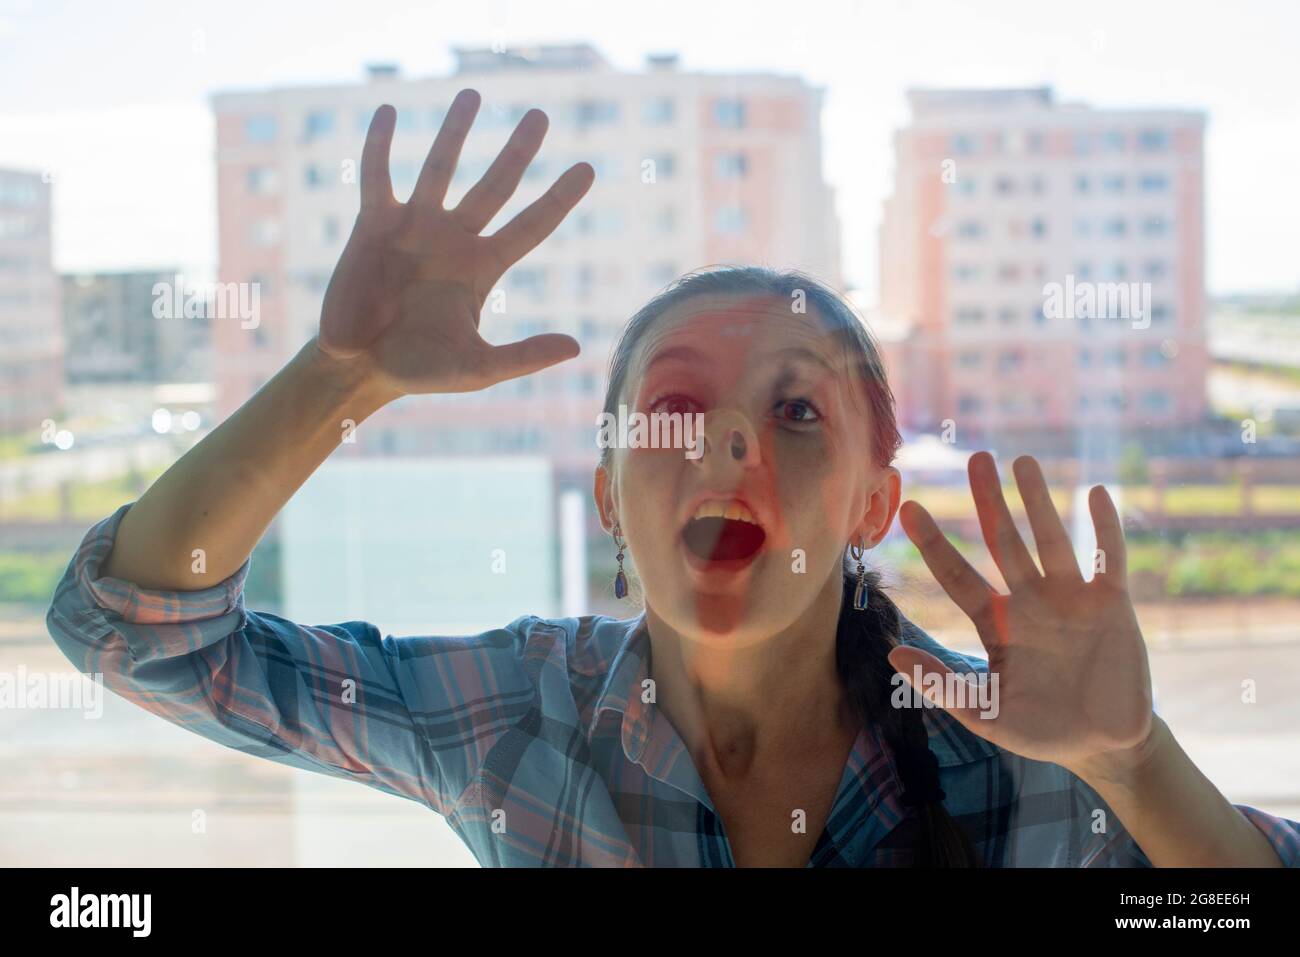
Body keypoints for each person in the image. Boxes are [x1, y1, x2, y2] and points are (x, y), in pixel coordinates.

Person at [46, 89, 1300, 867]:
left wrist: (1133, 766)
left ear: (872, 501)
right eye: (676, 409)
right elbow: (138, 632)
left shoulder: (1024, 749)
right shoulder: (514, 719)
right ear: (606, 497)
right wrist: (338, 377)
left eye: (795, 411)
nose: (725, 448)